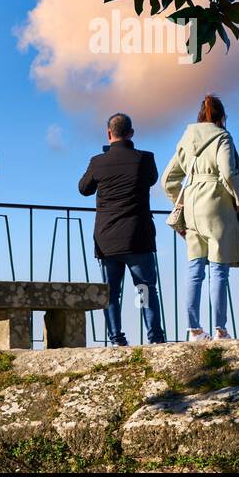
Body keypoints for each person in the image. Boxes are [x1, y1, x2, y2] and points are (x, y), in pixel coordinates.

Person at [163, 94, 239, 341]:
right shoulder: (222, 137)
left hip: (191, 206)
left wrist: (180, 200)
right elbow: (229, 173)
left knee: (194, 269)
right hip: (217, 204)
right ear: (222, 117)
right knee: (218, 270)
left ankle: (194, 330)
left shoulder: (186, 137)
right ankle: (221, 329)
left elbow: (167, 179)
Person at [78, 112, 166, 345]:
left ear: (108, 133)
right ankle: (155, 338)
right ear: (132, 133)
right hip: (138, 237)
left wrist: (106, 160)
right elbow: (151, 179)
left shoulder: (98, 162)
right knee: (145, 290)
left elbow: (84, 189)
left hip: (107, 240)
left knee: (111, 293)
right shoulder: (145, 159)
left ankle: (117, 339)